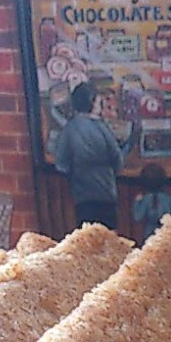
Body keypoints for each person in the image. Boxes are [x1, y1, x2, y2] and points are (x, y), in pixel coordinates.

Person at [54, 82, 124, 231]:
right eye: (99, 102)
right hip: (106, 191)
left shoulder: (69, 129)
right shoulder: (101, 127)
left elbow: (61, 163)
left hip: (82, 195)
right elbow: (117, 157)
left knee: (87, 236)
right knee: (110, 235)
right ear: (92, 103)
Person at [131, 162, 171, 244]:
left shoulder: (146, 199)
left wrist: (137, 201)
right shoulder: (168, 198)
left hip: (149, 236)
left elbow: (137, 217)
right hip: (166, 235)